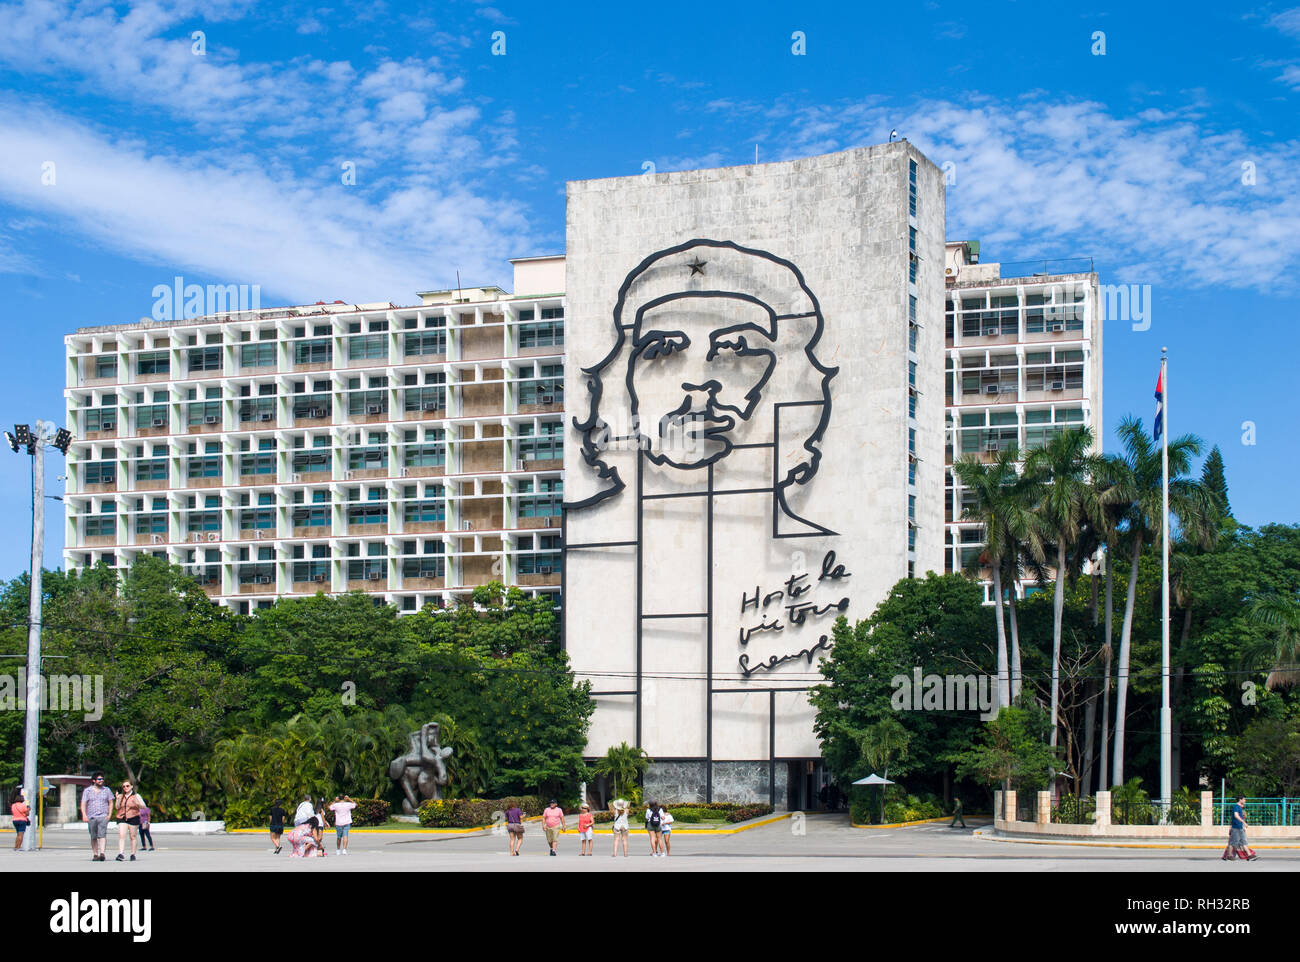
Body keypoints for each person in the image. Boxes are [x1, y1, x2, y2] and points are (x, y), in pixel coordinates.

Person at [81, 772, 115, 862]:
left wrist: (109, 815)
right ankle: (95, 854)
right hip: (91, 816)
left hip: (103, 816)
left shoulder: (106, 790)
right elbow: (83, 803)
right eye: (99, 779)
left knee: (102, 835)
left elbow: (111, 802)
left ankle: (102, 853)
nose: (101, 781)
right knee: (93, 836)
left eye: (102, 779)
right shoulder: (87, 791)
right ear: (94, 780)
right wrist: (84, 814)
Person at [114, 778, 142, 862]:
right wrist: (118, 799)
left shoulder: (136, 796)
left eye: (127, 786)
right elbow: (117, 807)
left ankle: (133, 854)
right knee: (122, 835)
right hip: (122, 817)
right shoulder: (121, 796)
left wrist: (137, 803)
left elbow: (143, 806)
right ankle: (121, 854)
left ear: (131, 786)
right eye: (124, 786)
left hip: (133, 817)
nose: (125, 788)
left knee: (132, 836)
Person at [1225, 796, 1259, 861]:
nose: (1245, 800)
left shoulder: (1240, 808)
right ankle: (1229, 855)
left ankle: (1249, 855)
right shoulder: (1236, 807)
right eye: (1244, 799)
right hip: (1236, 828)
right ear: (1240, 800)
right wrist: (1243, 822)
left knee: (1244, 842)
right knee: (1233, 842)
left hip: (1240, 828)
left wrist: (1243, 826)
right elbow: (1236, 815)